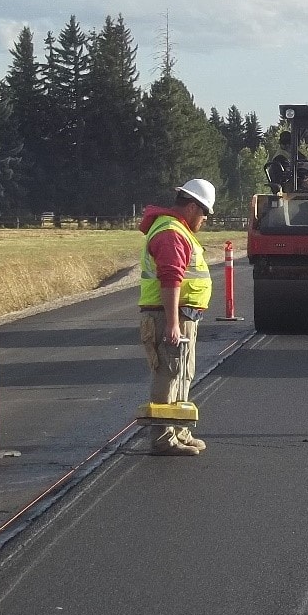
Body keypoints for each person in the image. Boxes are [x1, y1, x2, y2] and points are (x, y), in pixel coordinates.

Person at [138, 179, 216, 456]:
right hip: (168, 315)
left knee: (182, 373)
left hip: (182, 315)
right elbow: (170, 279)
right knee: (168, 374)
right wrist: (172, 323)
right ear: (192, 206)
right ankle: (163, 438)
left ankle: (179, 430)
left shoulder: (176, 230)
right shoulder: (172, 233)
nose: (205, 219)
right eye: (204, 212)